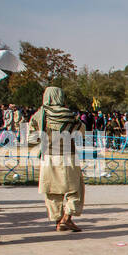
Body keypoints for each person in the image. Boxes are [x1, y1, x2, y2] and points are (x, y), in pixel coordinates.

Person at [29, 86, 85, 232]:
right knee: (75, 188)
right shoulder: (68, 114)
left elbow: (31, 137)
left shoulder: (40, 114)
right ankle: (67, 218)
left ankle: (59, 221)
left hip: (48, 156)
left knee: (53, 191)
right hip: (68, 155)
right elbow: (81, 131)